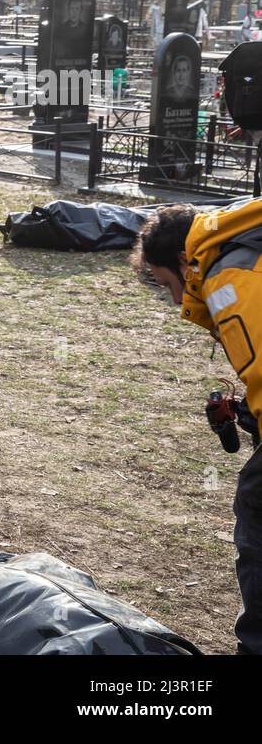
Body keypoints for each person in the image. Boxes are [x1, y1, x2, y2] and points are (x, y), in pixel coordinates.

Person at [133, 197, 262, 653]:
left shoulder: (231, 281)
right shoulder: (247, 250)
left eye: (167, 283)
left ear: (186, 262)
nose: (173, 299)